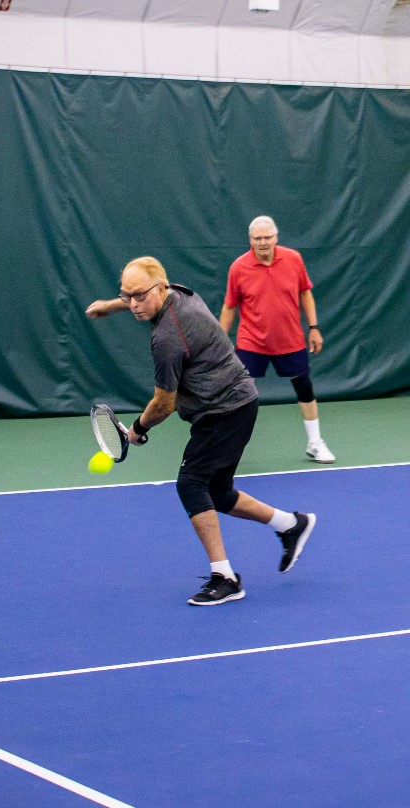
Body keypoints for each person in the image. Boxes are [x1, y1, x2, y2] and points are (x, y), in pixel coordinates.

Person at [85, 256, 317, 606]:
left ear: (160, 288)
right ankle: (290, 524)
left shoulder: (168, 337)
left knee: (191, 483)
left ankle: (225, 577)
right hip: (232, 403)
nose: (133, 304)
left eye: (138, 296)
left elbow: (164, 403)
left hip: (226, 410)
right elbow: (140, 292)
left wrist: (135, 430)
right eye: (126, 295)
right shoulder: (177, 292)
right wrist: (110, 306)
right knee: (219, 493)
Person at [219, 216, 334, 464]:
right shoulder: (238, 267)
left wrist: (314, 327)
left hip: (290, 340)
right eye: (258, 238)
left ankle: (315, 443)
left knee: (304, 387)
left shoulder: (293, 259)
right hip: (251, 342)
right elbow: (230, 307)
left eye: (267, 237)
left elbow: (305, 293)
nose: (263, 242)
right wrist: (219, 340)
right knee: (239, 393)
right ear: (250, 240)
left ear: (276, 237)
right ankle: (230, 447)